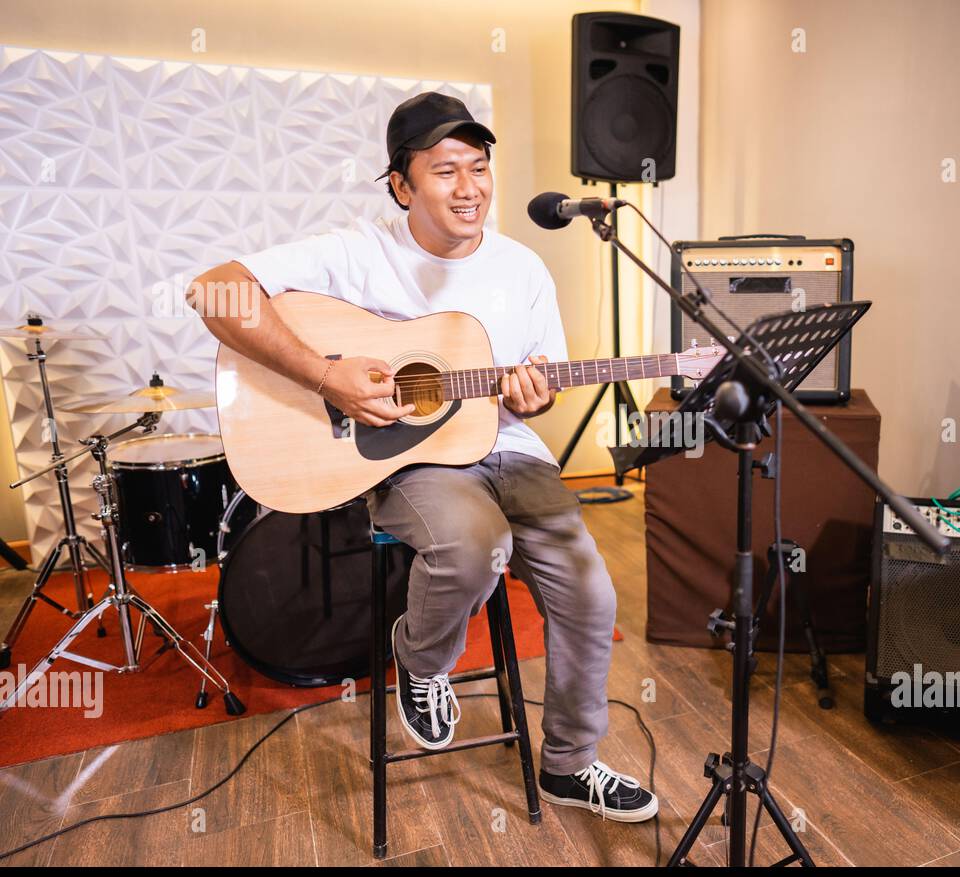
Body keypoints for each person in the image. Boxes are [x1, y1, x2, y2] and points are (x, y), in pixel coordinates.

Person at [189, 92, 657, 823]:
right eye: (445, 171)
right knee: (474, 546)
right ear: (402, 186)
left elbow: (545, 384)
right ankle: (421, 659)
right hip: (412, 461)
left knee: (593, 595)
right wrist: (325, 374)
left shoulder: (523, 268)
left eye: (479, 167)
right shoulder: (354, 252)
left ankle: (570, 763)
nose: (469, 187)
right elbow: (215, 290)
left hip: (511, 451)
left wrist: (535, 397)